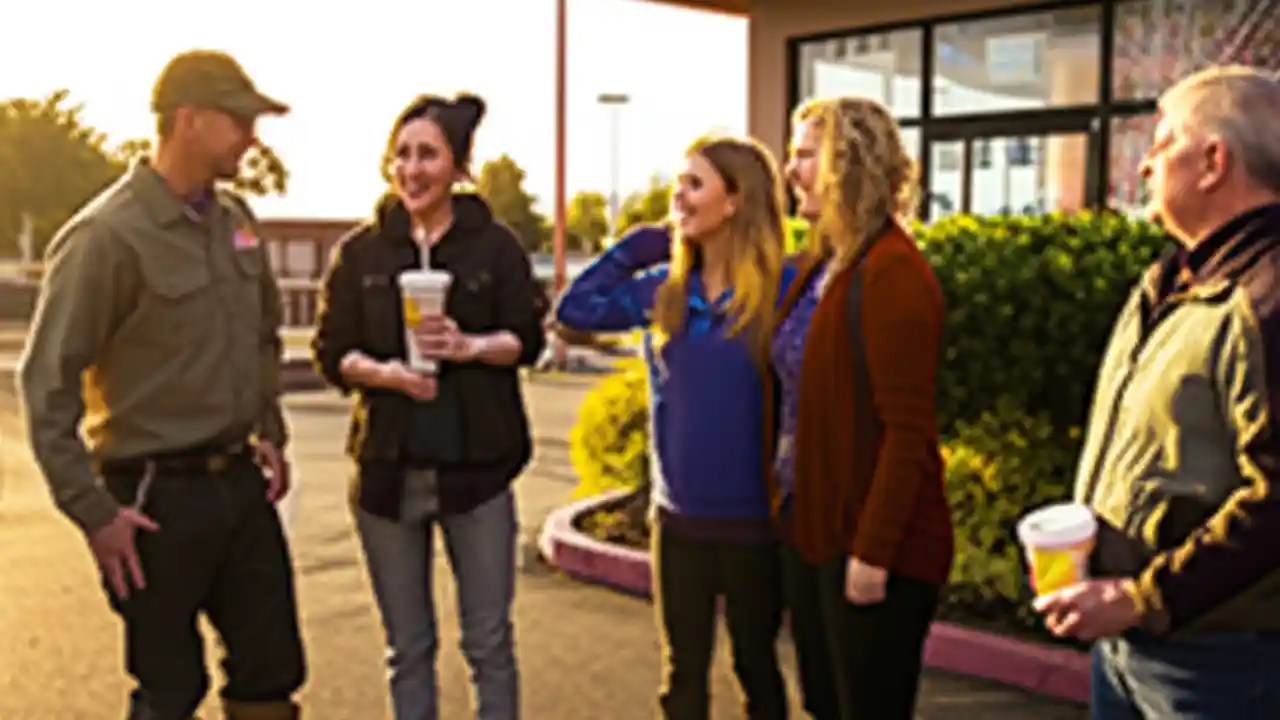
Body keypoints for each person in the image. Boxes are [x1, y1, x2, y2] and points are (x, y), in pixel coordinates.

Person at [17, 50, 305, 719]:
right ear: (189, 120)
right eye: (238, 120)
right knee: (171, 689)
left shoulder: (235, 220)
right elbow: (45, 385)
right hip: (153, 498)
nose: (251, 136)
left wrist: (270, 430)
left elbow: (261, 331)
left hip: (238, 485)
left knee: (272, 672)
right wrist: (93, 512)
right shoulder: (105, 238)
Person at [1033, 65, 1280, 719]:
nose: (1144, 167)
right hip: (1130, 643)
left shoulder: (1264, 299)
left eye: (1162, 142)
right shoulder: (1169, 284)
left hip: (1219, 660)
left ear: (1213, 161)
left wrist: (1143, 596)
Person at [310, 93, 544, 720]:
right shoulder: (361, 253)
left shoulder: (495, 248)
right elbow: (331, 353)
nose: (412, 169)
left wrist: (469, 346)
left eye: (429, 155)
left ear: (459, 167)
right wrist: (383, 373)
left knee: (488, 643)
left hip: (478, 472)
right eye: (402, 155)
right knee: (408, 649)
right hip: (388, 474)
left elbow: (528, 338)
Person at [556, 135, 793, 720]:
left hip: (755, 523)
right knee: (681, 676)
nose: (678, 196)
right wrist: (633, 248)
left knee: (756, 669)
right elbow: (574, 310)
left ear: (735, 201)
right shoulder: (663, 289)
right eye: (678, 184)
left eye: (694, 184)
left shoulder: (780, 290)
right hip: (678, 520)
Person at [770, 96, 954, 720]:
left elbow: (908, 434)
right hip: (815, 531)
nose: (791, 169)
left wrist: (873, 554)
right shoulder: (823, 264)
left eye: (805, 154)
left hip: (872, 548)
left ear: (850, 164)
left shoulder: (893, 272)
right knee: (825, 704)